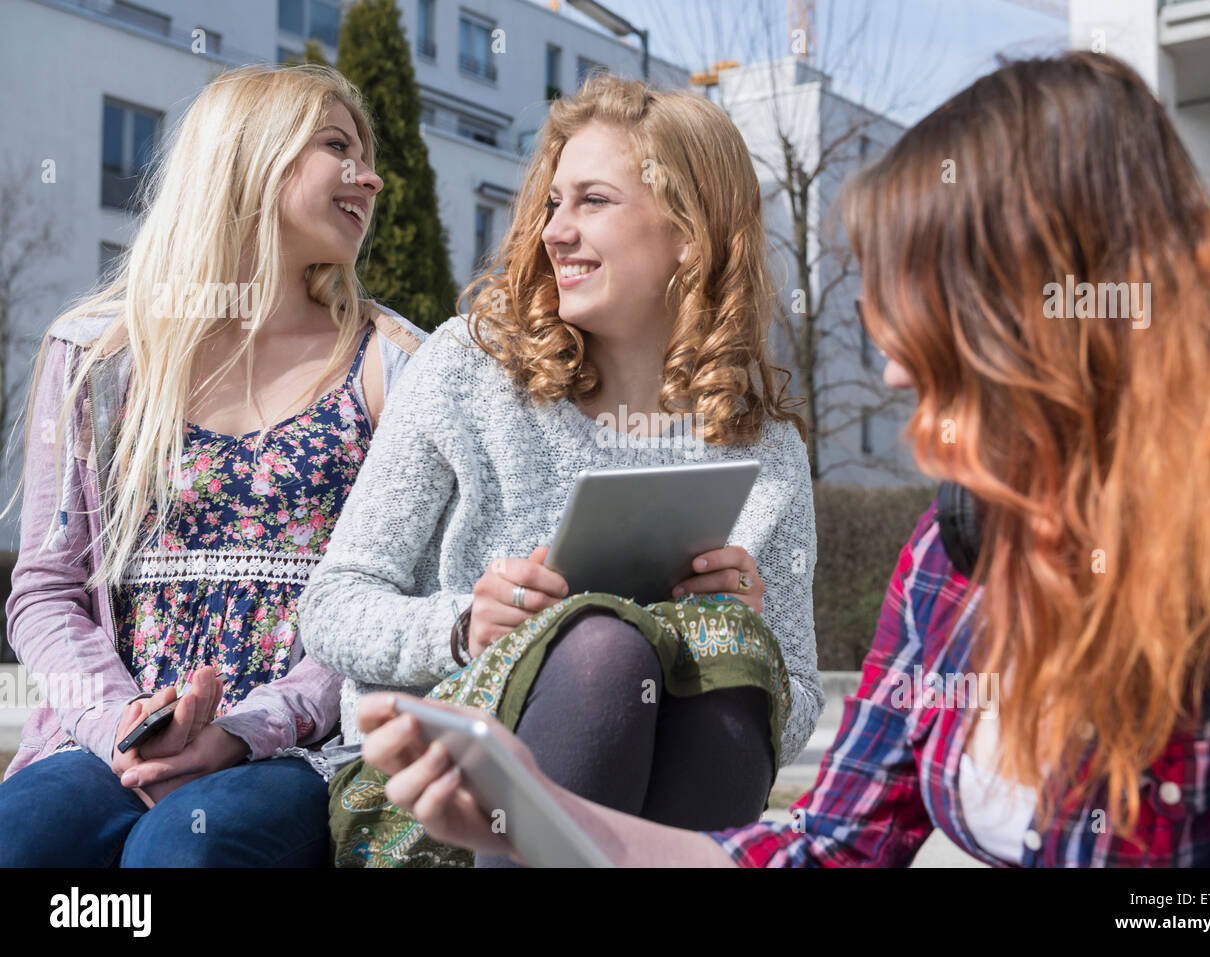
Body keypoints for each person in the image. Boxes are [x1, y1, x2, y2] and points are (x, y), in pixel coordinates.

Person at [354, 51, 1210, 867]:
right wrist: (546, 819)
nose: (888, 368)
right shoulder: (950, 559)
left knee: (720, 650)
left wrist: (741, 627)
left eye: (921, 318)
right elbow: (828, 846)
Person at [298, 73, 823, 868]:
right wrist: (460, 626)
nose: (556, 230)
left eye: (593, 202)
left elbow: (797, 705)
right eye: (554, 202)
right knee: (603, 649)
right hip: (426, 793)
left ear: (691, 231)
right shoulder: (469, 370)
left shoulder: (765, 449)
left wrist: (754, 630)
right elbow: (332, 606)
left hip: (652, 804)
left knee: (728, 648)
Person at [0, 64, 427, 867]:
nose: (369, 176)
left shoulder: (397, 366)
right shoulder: (98, 357)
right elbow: (47, 588)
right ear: (248, 157)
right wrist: (127, 726)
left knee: (181, 852)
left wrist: (242, 729)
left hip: (302, 744)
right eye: (338, 147)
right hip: (109, 735)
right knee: (17, 840)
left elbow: (389, 600)